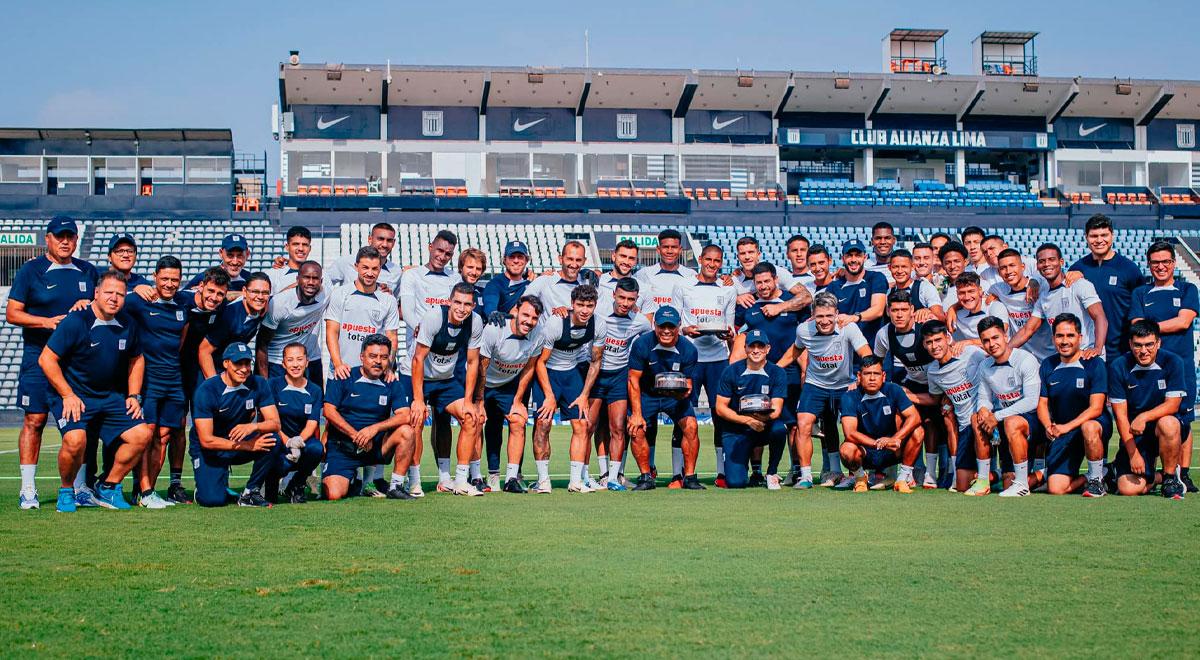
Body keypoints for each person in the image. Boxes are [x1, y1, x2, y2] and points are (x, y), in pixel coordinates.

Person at [40, 270, 153, 512]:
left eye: (120, 294)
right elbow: (46, 359)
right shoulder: (76, 321)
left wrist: (134, 395)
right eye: (109, 292)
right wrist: (68, 395)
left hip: (109, 396)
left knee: (142, 434)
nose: (114, 298)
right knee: (75, 439)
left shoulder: (128, 323)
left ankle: (108, 487)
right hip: (74, 395)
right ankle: (67, 490)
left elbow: (137, 359)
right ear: (96, 293)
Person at [7, 217, 97, 510]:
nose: (65, 241)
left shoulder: (87, 271)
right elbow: (13, 313)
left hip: (74, 362)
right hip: (37, 357)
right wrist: (45, 321)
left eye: (70, 236)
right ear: (48, 239)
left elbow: (101, 308)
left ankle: (81, 487)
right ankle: (28, 489)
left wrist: (87, 306)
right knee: (34, 420)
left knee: (79, 423)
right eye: (60, 236)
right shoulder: (31, 270)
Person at [123, 256, 192, 508]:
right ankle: (144, 490)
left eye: (174, 279)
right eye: (164, 278)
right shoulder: (138, 301)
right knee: (147, 435)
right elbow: (109, 296)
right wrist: (133, 288)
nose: (170, 284)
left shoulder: (183, 305)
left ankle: (149, 492)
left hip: (173, 380)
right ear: (154, 277)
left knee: (164, 437)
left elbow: (180, 340)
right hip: (149, 380)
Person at [785, 292, 871, 490]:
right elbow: (796, 350)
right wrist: (775, 369)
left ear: (837, 314)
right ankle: (806, 476)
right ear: (812, 315)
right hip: (815, 385)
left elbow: (866, 353)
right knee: (803, 423)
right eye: (820, 316)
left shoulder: (848, 327)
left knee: (850, 429)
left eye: (829, 316)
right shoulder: (803, 330)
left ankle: (857, 474)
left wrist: (859, 379)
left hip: (844, 385)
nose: (824, 321)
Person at [1131, 241, 1198, 492]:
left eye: (1166, 262)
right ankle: (1160, 472)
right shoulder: (1141, 293)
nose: (1161, 267)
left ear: (1173, 263)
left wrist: (1151, 326)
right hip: (1149, 368)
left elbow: (1183, 322)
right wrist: (1148, 329)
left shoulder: (1187, 289)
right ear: (1149, 265)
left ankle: (1184, 473)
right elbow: (1136, 324)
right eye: (1155, 262)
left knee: (1184, 419)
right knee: (1157, 421)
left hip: (1180, 365)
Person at [732, 262, 807, 486]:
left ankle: (796, 470)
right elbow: (736, 335)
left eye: (767, 281)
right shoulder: (749, 304)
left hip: (788, 371)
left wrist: (780, 307)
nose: (763, 286)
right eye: (758, 282)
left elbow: (803, 336)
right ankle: (756, 471)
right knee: (757, 419)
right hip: (756, 373)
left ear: (776, 279)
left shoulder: (791, 301)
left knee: (792, 424)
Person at [409, 282, 485, 496]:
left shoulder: (475, 322)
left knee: (471, 418)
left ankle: (459, 481)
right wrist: (417, 399)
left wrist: (469, 401)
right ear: (449, 301)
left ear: (473, 306)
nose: (462, 308)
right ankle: (413, 481)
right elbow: (418, 359)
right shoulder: (434, 317)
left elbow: (472, 363)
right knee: (415, 421)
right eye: (458, 302)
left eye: (467, 304)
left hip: (446, 380)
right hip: (419, 376)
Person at [322, 334, 416, 501]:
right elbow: (329, 411)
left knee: (407, 431)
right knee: (333, 494)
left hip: (374, 446)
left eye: (383, 357)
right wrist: (355, 435)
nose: (378, 361)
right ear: (362, 357)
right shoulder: (344, 376)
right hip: (344, 447)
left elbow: (405, 415)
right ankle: (354, 480)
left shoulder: (392, 382)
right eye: (372, 356)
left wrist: (374, 429)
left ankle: (396, 486)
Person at [188, 342, 281, 507]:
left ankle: (250, 492)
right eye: (238, 363)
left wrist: (253, 427)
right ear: (225, 363)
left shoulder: (258, 383)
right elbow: (206, 440)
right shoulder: (207, 390)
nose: (244, 369)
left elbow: (275, 423)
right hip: (210, 449)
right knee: (212, 500)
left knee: (272, 439)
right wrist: (247, 445)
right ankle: (213, 484)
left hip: (238, 439)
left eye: (247, 363)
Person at [673, 245, 737, 486]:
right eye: (708, 259)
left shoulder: (728, 290)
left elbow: (730, 327)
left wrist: (728, 335)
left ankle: (722, 473)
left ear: (721, 263)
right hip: (690, 358)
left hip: (718, 360)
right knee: (682, 414)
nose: (712, 264)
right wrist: (685, 331)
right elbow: (674, 326)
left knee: (721, 415)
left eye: (717, 261)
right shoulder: (683, 286)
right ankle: (679, 474)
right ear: (700, 259)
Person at [531, 285, 605, 494]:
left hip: (572, 375)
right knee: (543, 424)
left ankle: (575, 481)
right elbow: (540, 362)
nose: (584, 310)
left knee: (582, 426)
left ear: (595, 306)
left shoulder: (598, 325)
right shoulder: (555, 324)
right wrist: (549, 396)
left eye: (589, 306)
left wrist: (584, 395)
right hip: (548, 374)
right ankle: (543, 481)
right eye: (580, 305)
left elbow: (595, 362)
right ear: (572, 305)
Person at [873, 289, 947, 490]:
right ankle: (897, 471)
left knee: (933, 424)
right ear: (888, 311)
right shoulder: (884, 334)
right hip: (914, 382)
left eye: (903, 310)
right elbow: (876, 363)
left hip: (940, 383)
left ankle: (931, 473)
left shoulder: (925, 327)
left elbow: (947, 347)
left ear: (912, 310)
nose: (899, 314)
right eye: (894, 310)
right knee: (898, 419)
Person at [1108, 320, 1187, 499]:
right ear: (1130, 344)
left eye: (1149, 344)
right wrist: (1133, 454)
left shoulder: (1173, 362)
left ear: (1158, 343)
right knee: (1128, 489)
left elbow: (1173, 405)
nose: (1143, 351)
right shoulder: (1119, 366)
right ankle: (1155, 477)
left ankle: (1170, 479)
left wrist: (1144, 416)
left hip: (1166, 429)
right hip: (1135, 433)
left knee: (1168, 422)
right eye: (1138, 345)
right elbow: (1121, 417)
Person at [627, 306, 704, 491]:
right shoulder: (642, 344)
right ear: (655, 325)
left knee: (691, 427)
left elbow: (689, 385)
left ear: (679, 325)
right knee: (636, 428)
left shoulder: (689, 349)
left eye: (671, 326)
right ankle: (646, 476)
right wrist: (636, 413)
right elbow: (633, 380)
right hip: (647, 394)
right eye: (662, 326)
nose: (666, 331)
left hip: (674, 397)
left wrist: (682, 392)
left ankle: (690, 477)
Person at [1036, 313, 1111, 497]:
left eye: (1070, 335)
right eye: (1060, 336)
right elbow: (1042, 404)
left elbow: (1096, 408)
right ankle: (1102, 473)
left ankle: (1095, 481)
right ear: (1053, 338)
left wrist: (1066, 427)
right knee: (1056, 488)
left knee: (1089, 427)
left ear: (1080, 337)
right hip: (1064, 430)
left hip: (1093, 424)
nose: (1064, 341)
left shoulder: (1094, 363)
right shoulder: (1048, 364)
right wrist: (1048, 426)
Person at [173, 267, 231, 503]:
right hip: (175, 372)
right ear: (200, 286)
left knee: (209, 425)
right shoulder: (182, 301)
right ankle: (174, 483)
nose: (214, 298)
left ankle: (214, 480)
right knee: (173, 428)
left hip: (201, 372)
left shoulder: (223, 307)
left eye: (220, 294)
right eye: (210, 292)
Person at [477, 296, 545, 493]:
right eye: (525, 315)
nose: (529, 321)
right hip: (484, 384)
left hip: (508, 385)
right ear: (515, 311)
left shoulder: (539, 334)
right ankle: (476, 477)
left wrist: (517, 400)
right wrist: (479, 401)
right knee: (476, 421)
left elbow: (529, 368)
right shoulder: (494, 330)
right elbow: (481, 367)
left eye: (534, 318)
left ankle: (511, 479)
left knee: (518, 420)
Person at [972, 316, 1042, 497]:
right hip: (1005, 420)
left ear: (1005, 336)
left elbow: (1031, 401)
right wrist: (984, 410)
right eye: (986, 340)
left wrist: (996, 416)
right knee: (976, 419)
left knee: (1011, 422)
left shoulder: (1025, 359)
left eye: (995, 338)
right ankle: (983, 479)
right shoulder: (985, 366)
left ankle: (1023, 484)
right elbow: (984, 398)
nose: (991, 344)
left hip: (1031, 421)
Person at [714, 329, 789, 489]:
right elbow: (720, 408)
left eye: (760, 346)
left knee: (779, 430)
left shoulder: (777, 372)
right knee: (736, 483)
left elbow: (776, 409)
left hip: (764, 426)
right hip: (736, 429)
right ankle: (742, 463)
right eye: (752, 346)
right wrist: (747, 420)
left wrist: (761, 420)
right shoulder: (731, 371)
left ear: (768, 349)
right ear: (746, 348)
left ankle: (772, 472)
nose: (756, 350)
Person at [921, 320, 989, 493]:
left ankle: (987, 477)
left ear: (948, 338)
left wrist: (970, 341)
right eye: (929, 342)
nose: (934, 346)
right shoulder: (933, 372)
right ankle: (987, 475)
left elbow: (997, 347)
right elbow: (935, 399)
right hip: (965, 426)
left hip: (987, 418)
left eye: (938, 340)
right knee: (961, 486)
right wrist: (905, 394)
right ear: (924, 345)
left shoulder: (970, 353)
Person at [838, 355, 922, 493]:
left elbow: (915, 417)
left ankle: (902, 479)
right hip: (865, 451)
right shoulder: (849, 397)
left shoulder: (894, 390)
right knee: (846, 449)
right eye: (867, 374)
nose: (872, 378)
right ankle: (860, 478)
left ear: (883, 376)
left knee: (918, 431)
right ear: (859, 376)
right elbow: (850, 433)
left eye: (876, 373)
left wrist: (895, 438)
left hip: (892, 449)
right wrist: (878, 443)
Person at [1069, 214, 1144, 357]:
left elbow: (1140, 308)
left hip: (1121, 351)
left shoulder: (1129, 269)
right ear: (1086, 237)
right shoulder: (1077, 269)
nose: (1099, 240)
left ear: (1112, 236)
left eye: (1104, 235)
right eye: (1094, 236)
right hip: (1087, 352)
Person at [1021, 243, 1106, 360]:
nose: (1046, 264)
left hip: (1088, 356)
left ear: (1061, 262)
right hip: (1064, 358)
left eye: (1051, 259)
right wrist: (1006, 349)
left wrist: (1097, 348)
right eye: (1042, 261)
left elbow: (1099, 316)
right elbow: (1027, 330)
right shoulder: (1043, 294)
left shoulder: (1079, 285)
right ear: (1037, 266)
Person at [267, 343, 325, 503]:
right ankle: (267, 485)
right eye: (290, 360)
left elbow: (313, 423)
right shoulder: (272, 385)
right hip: (279, 440)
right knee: (271, 497)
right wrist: (288, 442)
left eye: (299, 359)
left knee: (317, 448)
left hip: (302, 442)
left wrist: (298, 442)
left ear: (307, 362)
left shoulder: (315, 390)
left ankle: (296, 485)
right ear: (283, 364)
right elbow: (271, 420)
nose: (295, 364)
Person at [257, 261, 326, 384]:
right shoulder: (279, 305)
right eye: (306, 278)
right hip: (277, 361)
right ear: (297, 279)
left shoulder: (326, 294)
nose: (310, 282)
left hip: (305, 360)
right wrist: (264, 382)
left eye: (315, 278)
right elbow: (262, 344)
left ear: (321, 281)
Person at [197, 272, 271, 380]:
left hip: (231, 367)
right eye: (255, 292)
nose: (260, 296)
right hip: (210, 368)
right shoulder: (230, 316)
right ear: (244, 292)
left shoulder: (261, 308)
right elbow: (204, 351)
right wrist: (214, 384)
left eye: (265, 293)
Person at [825, 240, 887, 340]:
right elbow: (826, 313)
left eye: (858, 255)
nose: (853, 259)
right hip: (845, 347)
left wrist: (854, 318)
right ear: (843, 259)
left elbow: (878, 310)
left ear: (865, 257)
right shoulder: (833, 286)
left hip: (873, 346)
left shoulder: (876, 278)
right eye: (849, 255)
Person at [328, 222, 403, 293]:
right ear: (370, 239)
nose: (385, 244)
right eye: (380, 239)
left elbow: (397, 302)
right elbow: (324, 285)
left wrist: (389, 296)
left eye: (389, 240)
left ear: (393, 243)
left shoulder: (396, 272)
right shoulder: (346, 262)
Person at [946, 272, 1008, 344]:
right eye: (962, 293)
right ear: (957, 293)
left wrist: (970, 342)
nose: (967, 297)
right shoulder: (956, 314)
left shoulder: (994, 306)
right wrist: (952, 308)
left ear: (980, 290)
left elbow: (999, 334)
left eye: (971, 291)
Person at [886, 248, 943, 321]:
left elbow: (941, 317)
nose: (900, 271)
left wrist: (928, 312)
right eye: (895, 267)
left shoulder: (925, 288)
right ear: (889, 268)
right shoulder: (889, 292)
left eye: (904, 267)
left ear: (912, 267)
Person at [185, 233, 249, 298]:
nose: (235, 262)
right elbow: (181, 298)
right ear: (221, 253)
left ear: (247, 254)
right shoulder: (204, 277)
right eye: (230, 255)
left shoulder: (251, 279)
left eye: (240, 255)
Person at [482, 240, 533, 319]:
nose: (516, 261)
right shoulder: (495, 284)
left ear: (526, 260)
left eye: (520, 256)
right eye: (512, 257)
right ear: (504, 260)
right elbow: (490, 301)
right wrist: (492, 312)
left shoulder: (531, 284)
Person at [265, 226, 313, 293]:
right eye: (296, 244)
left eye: (305, 245)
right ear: (287, 247)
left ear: (310, 248)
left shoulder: (319, 274)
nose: (301, 249)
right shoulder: (272, 275)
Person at [936, 241, 970, 307]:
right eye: (948, 262)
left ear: (965, 262)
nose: (952, 266)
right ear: (942, 265)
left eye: (957, 261)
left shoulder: (978, 283)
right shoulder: (938, 287)